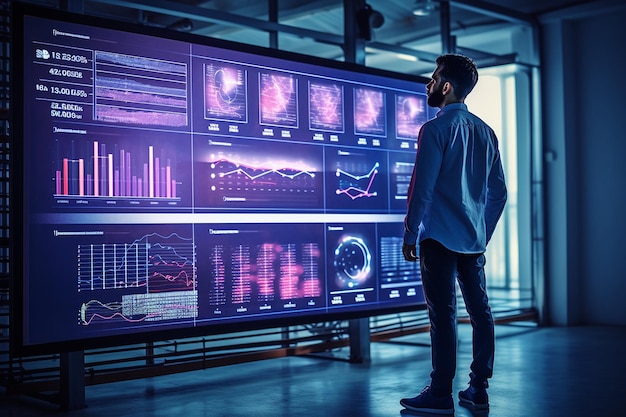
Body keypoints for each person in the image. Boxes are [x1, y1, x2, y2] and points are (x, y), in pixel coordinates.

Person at [400, 54, 507, 415]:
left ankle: (440, 393)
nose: (428, 85)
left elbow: (422, 188)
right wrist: (482, 232)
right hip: (472, 241)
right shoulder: (486, 132)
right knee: (481, 312)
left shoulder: (434, 130)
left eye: (433, 79)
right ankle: (478, 389)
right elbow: (499, 194)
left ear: (446, 87)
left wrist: (411, 232)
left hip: (438, 240)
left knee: (442, 315)